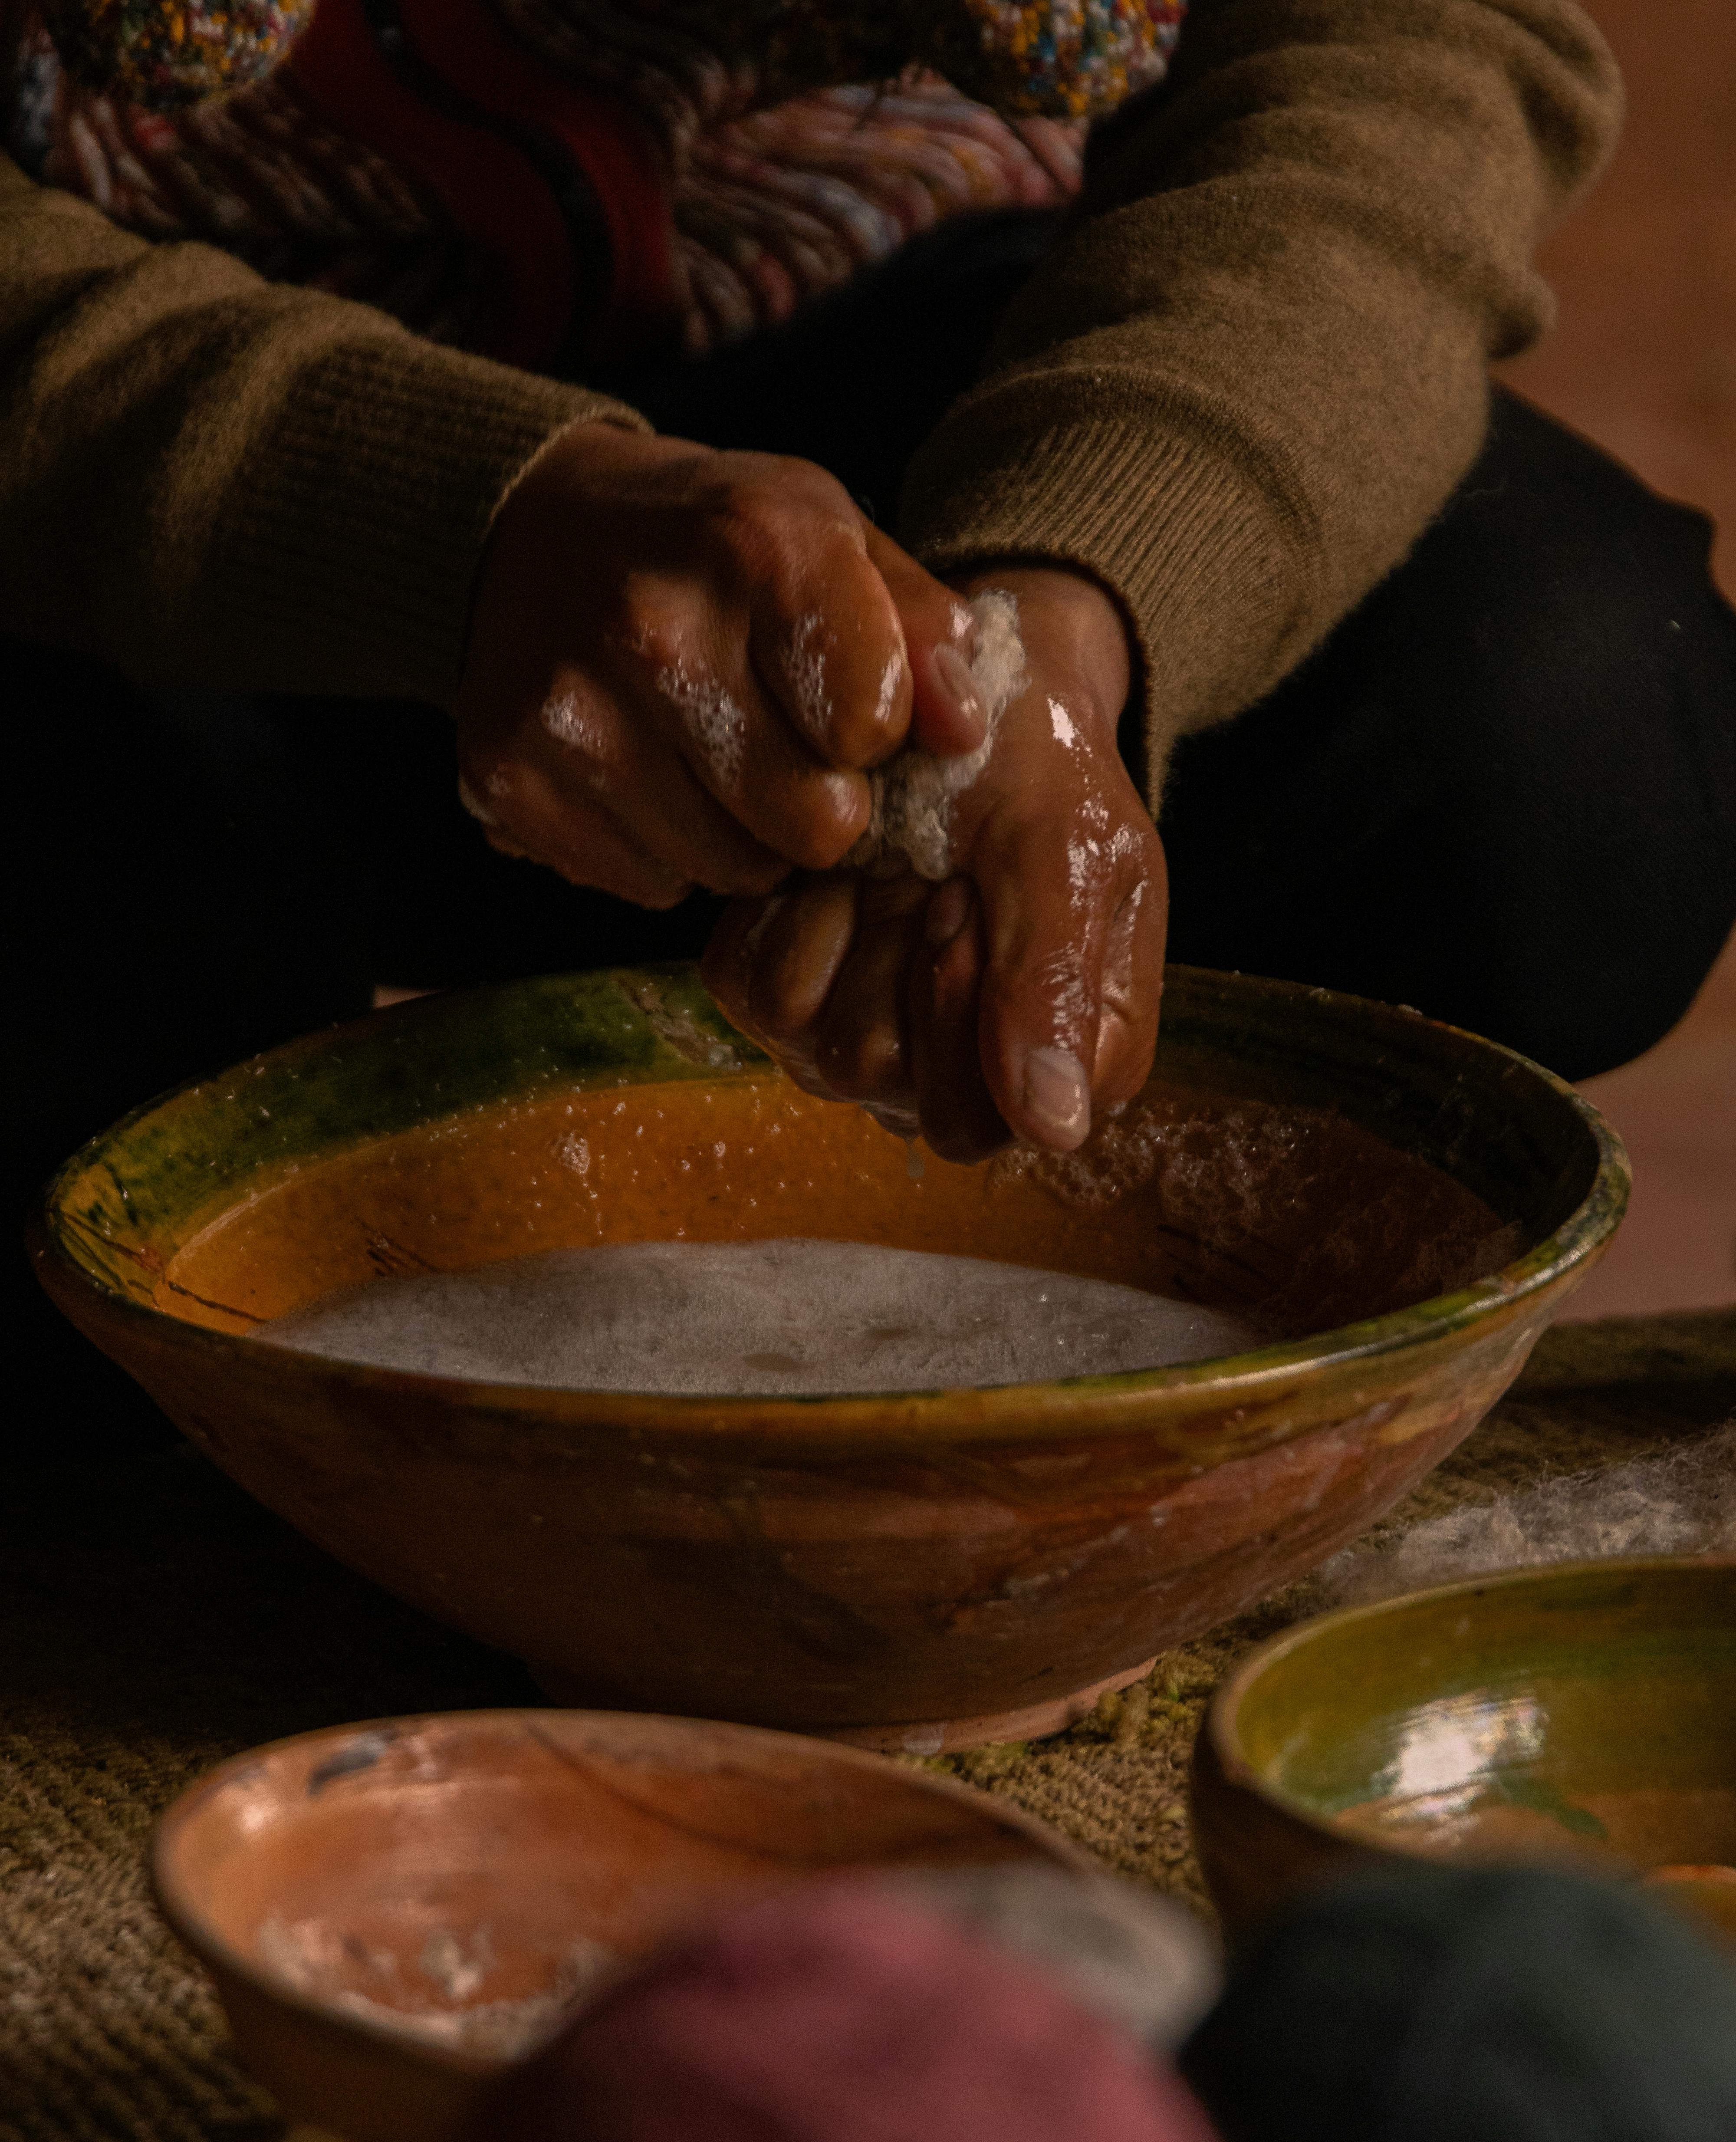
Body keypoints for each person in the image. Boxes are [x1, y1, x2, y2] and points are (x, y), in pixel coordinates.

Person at [2, 0, 1732, 1452]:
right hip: (120, 458)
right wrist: (453, 525)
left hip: (873, 341)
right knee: (100, 1117)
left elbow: (1403, 48)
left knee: (1563, 737)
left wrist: (1074, 603)